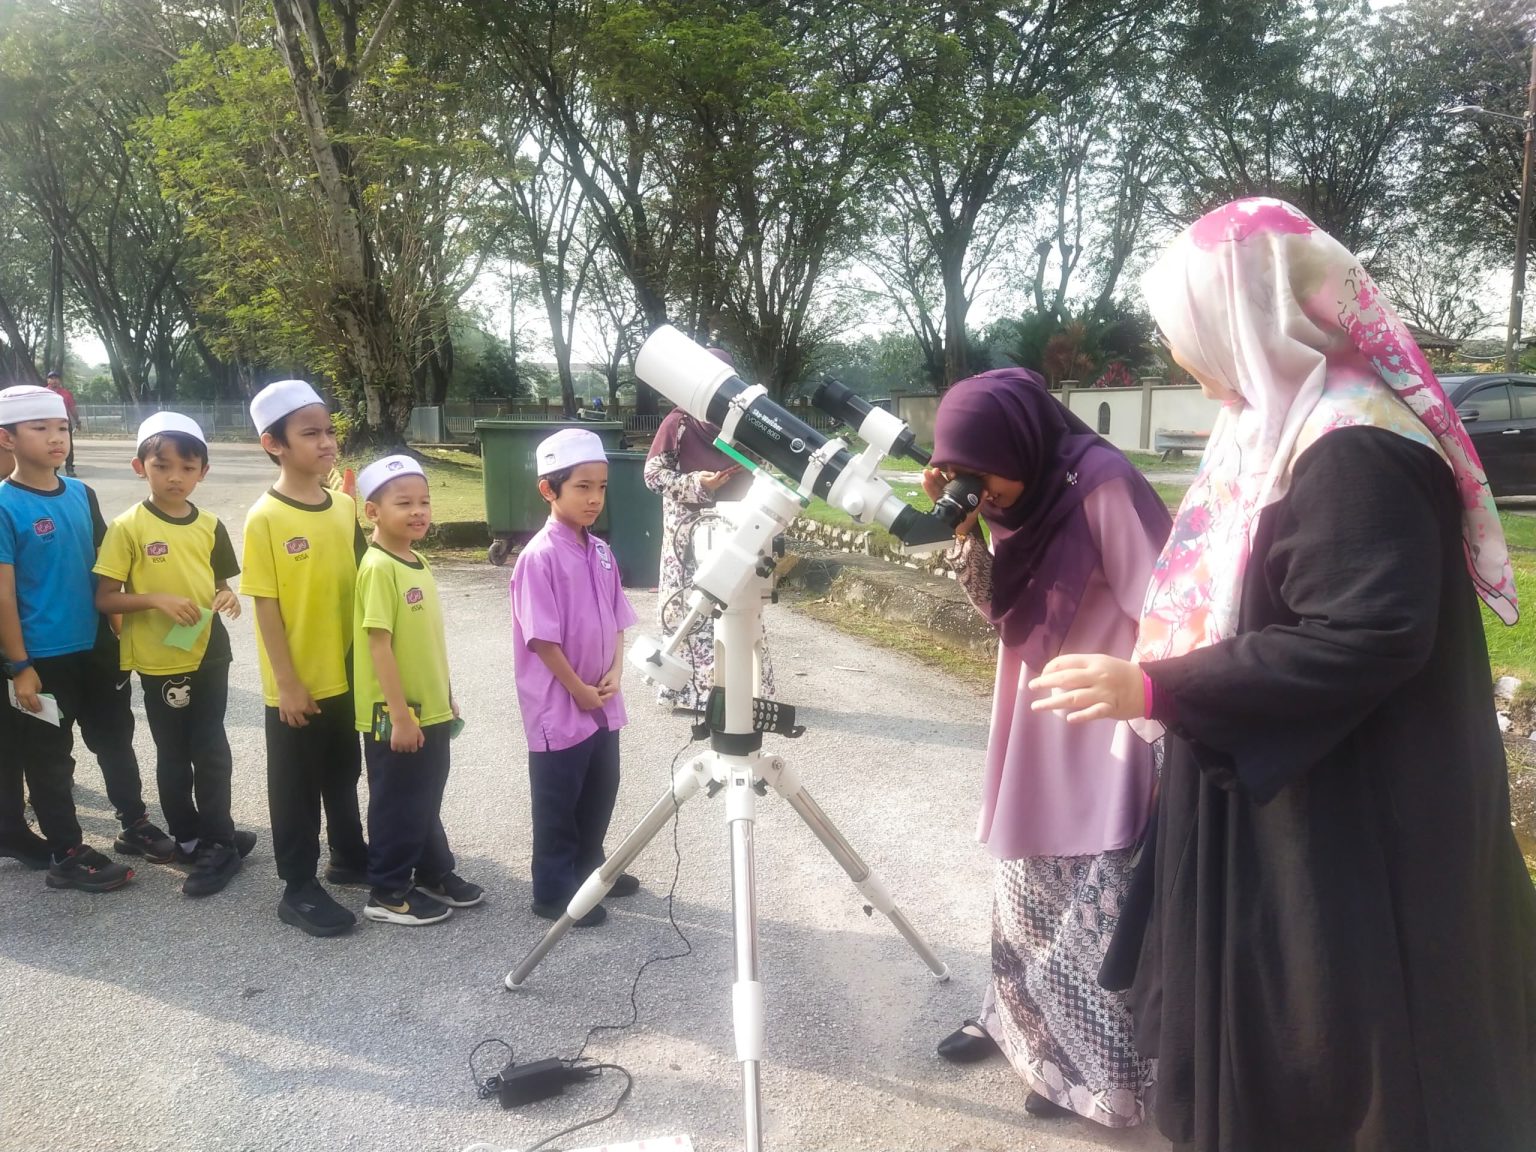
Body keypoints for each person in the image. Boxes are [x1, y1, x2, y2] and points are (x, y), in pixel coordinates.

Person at [1031, 198, 1536, 1152]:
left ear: (1246, 315)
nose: (1178, 355)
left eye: (1181, 332)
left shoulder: (1356, 446)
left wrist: (1159, 688)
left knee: (1345, 1056)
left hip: (1349, 817)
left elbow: (1364, 634)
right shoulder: (1283, 418)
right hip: (1283, 777)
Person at [924, 369, 1171, 1128]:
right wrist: (965, 527)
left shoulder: (1099, 485)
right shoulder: (1021, 494)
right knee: (1021, 882)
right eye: (962, 474)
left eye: (980, 473)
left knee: (1091, 901)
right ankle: (1018, 1028)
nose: (979, 490)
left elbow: (1163, 608)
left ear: (1019, 443)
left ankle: (1089, 1075)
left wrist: (1154, 713)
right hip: (1033, 708)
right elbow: (1004, 611)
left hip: (1102, 721)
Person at [0, 384, 175, 891]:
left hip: (97, 647)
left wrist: (122, 637)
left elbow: (109, 575)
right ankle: (67, 852)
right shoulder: (5, 505)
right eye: (41, 429)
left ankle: (134, 823)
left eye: (62, 428)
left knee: (115, 739)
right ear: (7, 438)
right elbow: (4, 598)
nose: (57, 439)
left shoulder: (81, 493)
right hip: (42, 659)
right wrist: (19, 666)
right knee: (50, 759)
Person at [93, 413, 254, 897]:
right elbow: (105, 597)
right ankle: (188, 839)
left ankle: (219, 841)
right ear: (140, 466)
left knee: (211, 751)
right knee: (173, 754)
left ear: (203, 471)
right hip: (162, 662)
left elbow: (220, 586)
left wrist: (227, 598)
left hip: (209, 654)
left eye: (187, 467)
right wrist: (156, 600)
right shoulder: (128, 527)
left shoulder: (210, 525)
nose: (175, 477)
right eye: (162, 465)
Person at [242, 379, 369, 936]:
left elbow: (366, 584)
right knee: (295, 784)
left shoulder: (343, 507)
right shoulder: (264, 518)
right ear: (275, 443)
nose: (326, 442)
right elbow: (266, 607)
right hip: (297, 682)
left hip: (347, 671)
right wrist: (287, 683)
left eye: (329, 430)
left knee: (343, 769)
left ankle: (348, 854)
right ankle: (297, 886)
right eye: (310, 433)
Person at [510, 428, 640, 927]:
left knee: (600, 787)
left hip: (601, 698)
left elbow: (618, 616)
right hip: (559, 702)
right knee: (558, 800)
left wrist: (614, 671)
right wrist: (579, 688)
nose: (594, 499)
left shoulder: (601, 551)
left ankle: (590, 869)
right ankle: (553, 889)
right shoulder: (538, 557)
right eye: (582, 487)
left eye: (602, 487)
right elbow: (541, 640)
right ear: (550, 489)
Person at [352, 454, 483, 927]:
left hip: (431, 710)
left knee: (425, 794)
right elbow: (378, 646)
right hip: (397, 716)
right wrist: (401, 714)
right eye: (404, 502)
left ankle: (432, 870)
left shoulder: (417, 559)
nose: (418, 511)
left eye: (424, 501)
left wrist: (445, 693)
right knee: (398, 800)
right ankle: (387, 890)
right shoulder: (378, 567)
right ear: (373, 512)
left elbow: (427, 641)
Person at [642, 348, 773, 712]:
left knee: (739, 605)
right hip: (687, 535)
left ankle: (742, 693)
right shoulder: (679, 423)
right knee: (688, 607)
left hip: (735, 527)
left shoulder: (742, 425)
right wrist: (698, 485)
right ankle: (687, 691)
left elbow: (762, 467)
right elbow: (653, 476)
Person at [44, 369, 80, 477]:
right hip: (48, 424)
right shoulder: (42, 393)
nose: (54, 381)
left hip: (63, 424)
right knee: (50, 445)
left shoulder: (66, 393)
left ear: (59, 381)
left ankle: (69, 467)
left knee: (68, 445)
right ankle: (53, 468)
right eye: (52, 378)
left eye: (56, 378)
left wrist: (77, 421)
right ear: (48, 380)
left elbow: (72, 408)